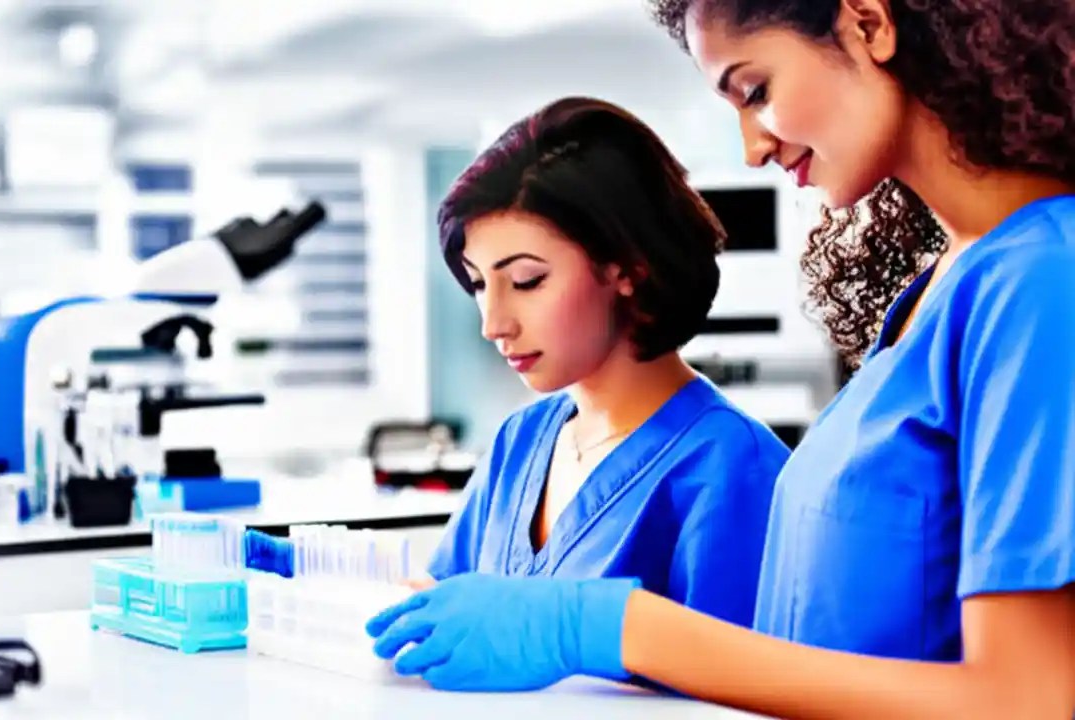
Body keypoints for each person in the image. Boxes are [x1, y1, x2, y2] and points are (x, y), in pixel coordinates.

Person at [364, 2, 1075, 717]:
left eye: (757, 91)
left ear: (868, 23)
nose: (753, 149)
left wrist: (608, 626)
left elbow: (1029, 698)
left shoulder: (1042, 279)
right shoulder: (941, 291)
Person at [249, 96, 790, 632]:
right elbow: (457, 606)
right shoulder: (522, 441)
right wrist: (325, 580)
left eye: (527, 281)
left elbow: (740, 690)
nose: (493, 324)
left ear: (628, 266)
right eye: (480, 284)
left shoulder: (732, 467)